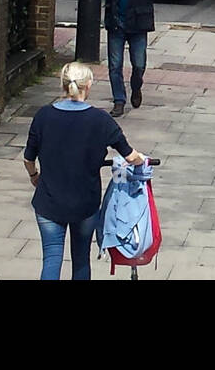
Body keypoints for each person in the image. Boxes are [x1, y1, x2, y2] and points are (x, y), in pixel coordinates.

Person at [24, 62, 145, 280]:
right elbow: (129, 155)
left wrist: (34, 176)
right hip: (85, 203)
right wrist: (140, 160)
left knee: (51, 258)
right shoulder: (101, 120)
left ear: (63, 85)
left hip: (48, 201)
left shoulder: (43, 116)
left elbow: (28, 158)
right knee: (81, 260)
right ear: (88, 85)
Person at [96, 0, 157, 117]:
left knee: (139, 64)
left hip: (138, 22)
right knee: (115, 65)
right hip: (117, 22)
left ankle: (136, 86)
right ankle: (119, 101)